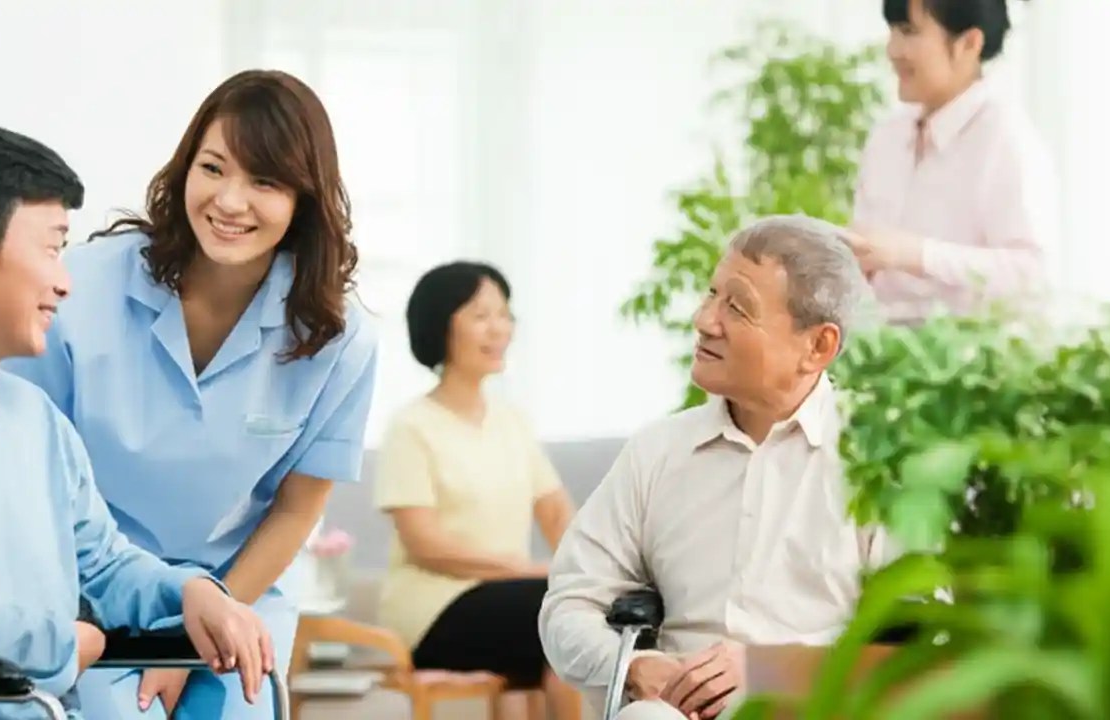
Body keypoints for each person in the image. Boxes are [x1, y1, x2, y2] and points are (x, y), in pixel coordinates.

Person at [0, 124, 272, 720]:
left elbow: (101, 563)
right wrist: (50, 642)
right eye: (51, 248)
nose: (64, 281)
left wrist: (191, 592)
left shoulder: (35, 419)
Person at [2, 70, 378, 718]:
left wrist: (192, 637)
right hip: (89, 588)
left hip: (238, 595)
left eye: (265, 181)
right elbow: (21, 471)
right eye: (213, 168)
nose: (231, 201)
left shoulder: (338, 339)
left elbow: (293, 512)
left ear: (304, 200)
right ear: (184, 170)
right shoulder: (80, 289)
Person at [538, 216, 896, 719]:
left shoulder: (881, 460)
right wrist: (636, 667)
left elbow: (921, 641)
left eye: (738, 308)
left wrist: (769, 668)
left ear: (817, 347)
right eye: (711, 295)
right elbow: (568, 607)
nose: (705, 321)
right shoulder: (657, 452)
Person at [374, 262, 581, 718]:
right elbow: (425, 545)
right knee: (560, 616)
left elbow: (557, 517)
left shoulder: (512, 421)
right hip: (433, 610)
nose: (499, 329)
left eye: (505, 315)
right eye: (481, 315)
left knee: (589, 617)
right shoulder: (412, 426)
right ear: (440, 325)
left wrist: (595, 573)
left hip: (515, 597)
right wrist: (522, 569)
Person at [845, 0, 1058, 325]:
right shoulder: (886, 138)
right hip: (881, 357)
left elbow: (1030, 276)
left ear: (969, 44)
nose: (893, 49)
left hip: (975, 365)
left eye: (908, 32)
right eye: (892, 31)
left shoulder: (1005, 140)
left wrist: (916, 254)